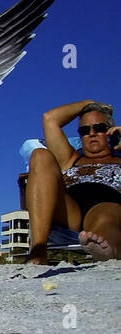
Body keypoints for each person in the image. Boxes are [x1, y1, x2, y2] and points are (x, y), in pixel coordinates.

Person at [25, 101, 121, 263]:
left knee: (106, 215)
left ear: (110, 132)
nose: (91, 133)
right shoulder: (70, 158)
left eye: (99, 128)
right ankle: (39, 251)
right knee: (40, 155)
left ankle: (109, 250)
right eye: (84, 130)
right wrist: (89, 103)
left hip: (106, 205)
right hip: (68, 209)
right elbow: (50, 119)